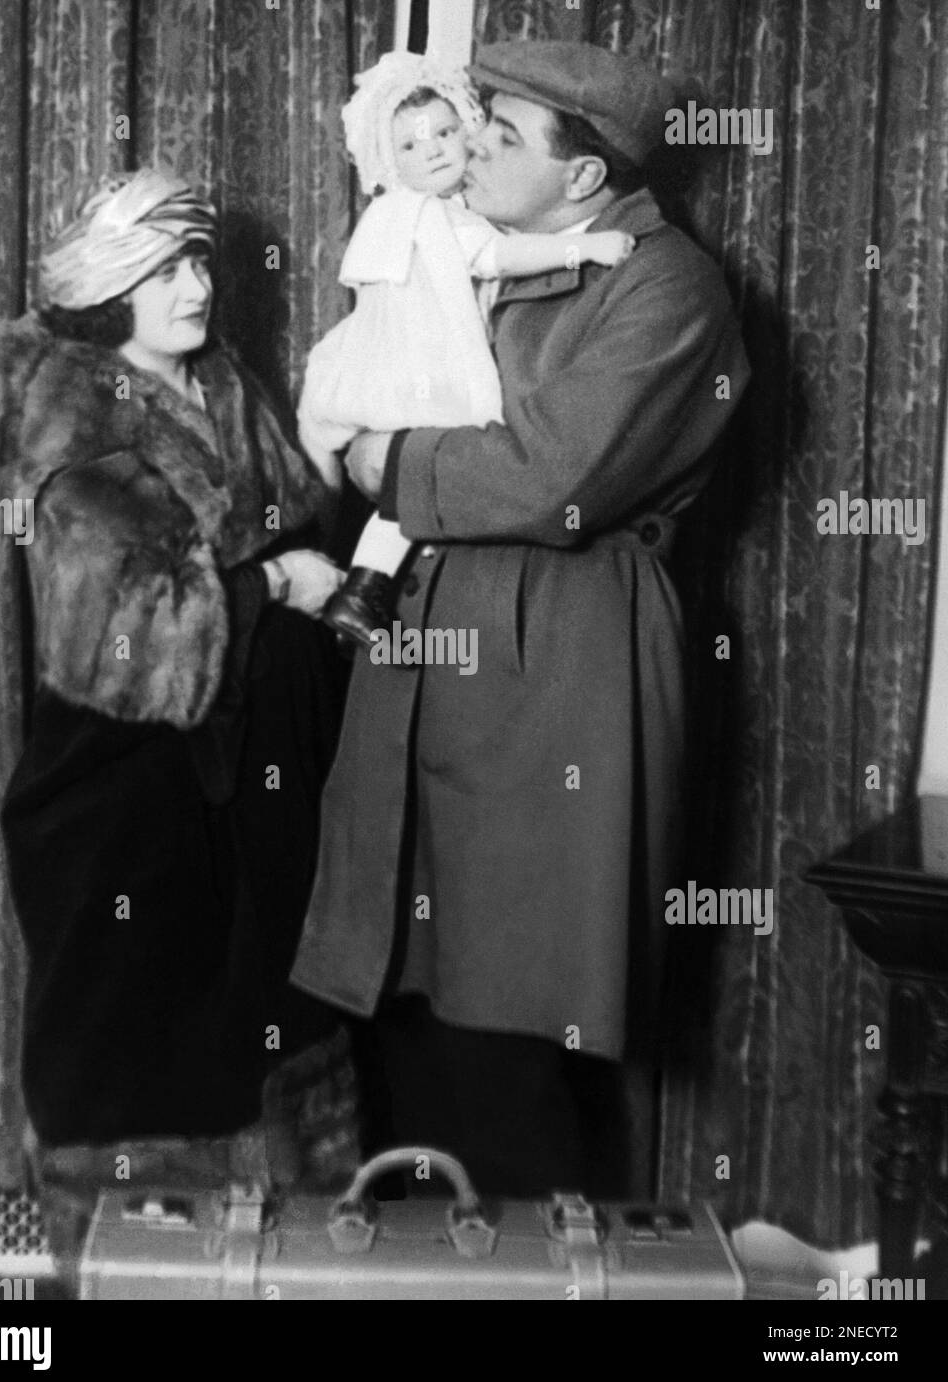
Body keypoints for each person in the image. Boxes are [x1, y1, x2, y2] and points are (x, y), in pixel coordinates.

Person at [291, 43, 752, 1198]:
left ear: (584, 179)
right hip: (427, 638)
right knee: (398, 990)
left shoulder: (666, 285)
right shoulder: (459, 244)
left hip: (555, 660)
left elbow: (553, 476)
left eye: (498, 134)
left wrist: (383, 455)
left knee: (512, 1011)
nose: (467, 144)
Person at [0, 168, 351, 1163]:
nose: (192, 286)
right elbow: (127, 628)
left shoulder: (224, 378)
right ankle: (100, 1248)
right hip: (120, 772)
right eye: (160, 269)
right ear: (111, 288)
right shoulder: (74, 416)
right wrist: (274, 590)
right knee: (123, 1016)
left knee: (253, 1008)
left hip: (247, 763)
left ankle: (257, 1243)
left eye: (195, 260)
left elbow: (294, 520)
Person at [297, 51, 634, 646]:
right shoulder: (441, 218)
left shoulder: (400, 216)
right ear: (388, 160)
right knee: (409, 486)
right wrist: (588, 249)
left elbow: (547, 479)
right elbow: (499, 258)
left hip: (526, 606)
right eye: (411, 146)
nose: (441, 151)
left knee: (399, 496)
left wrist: (386, 462)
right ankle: (353, 580)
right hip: (424, 371)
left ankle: (357, 583)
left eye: (452, 132)